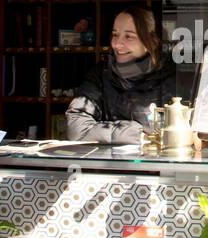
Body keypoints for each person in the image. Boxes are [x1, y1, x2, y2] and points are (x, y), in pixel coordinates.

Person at [66, 8, 176, 144]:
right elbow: (77, 128)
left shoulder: (172, 76)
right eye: (115, 35)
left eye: (129, 36)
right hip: (111, 164)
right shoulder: (100, 74)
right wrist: (133, 134)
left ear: (152, 42)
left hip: (161, 164)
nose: (117, 44)